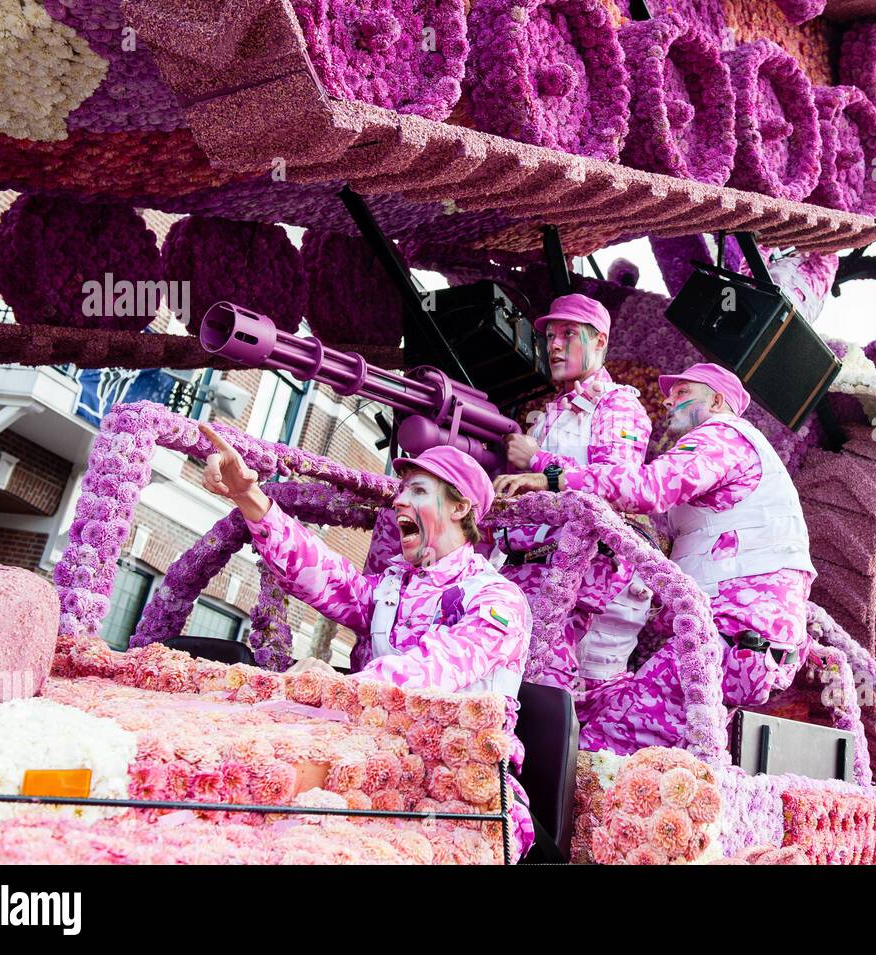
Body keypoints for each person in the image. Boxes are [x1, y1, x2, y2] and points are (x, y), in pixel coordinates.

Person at [198, 423, 536, 855]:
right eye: (402, 490)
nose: (398, 500)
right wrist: (251, 498)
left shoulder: (499, 599)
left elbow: (431, 671)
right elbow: (327, 577)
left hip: (464, 796)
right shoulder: (393, 587)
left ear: (459, 508)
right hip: (375, 764)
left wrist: (331, 688)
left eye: (416, 490)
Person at [497, 363, 817, 754]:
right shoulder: (738, 457)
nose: (668, 401)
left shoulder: (723, 437)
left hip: (728, 638)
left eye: (683, 393)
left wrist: (547, 471)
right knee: (630, 740)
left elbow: (647, 488)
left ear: (717, 401)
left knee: (601, 752)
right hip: (744, 644)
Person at [495, 292, 653, 692]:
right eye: (550, 337)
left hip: (575, 572)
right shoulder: (557, 411)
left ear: (600, 340)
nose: (555, 345)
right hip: (532, 566)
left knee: (542, 678)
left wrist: (539, 462)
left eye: (568, 333)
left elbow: (617, 485)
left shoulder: (616, 405)